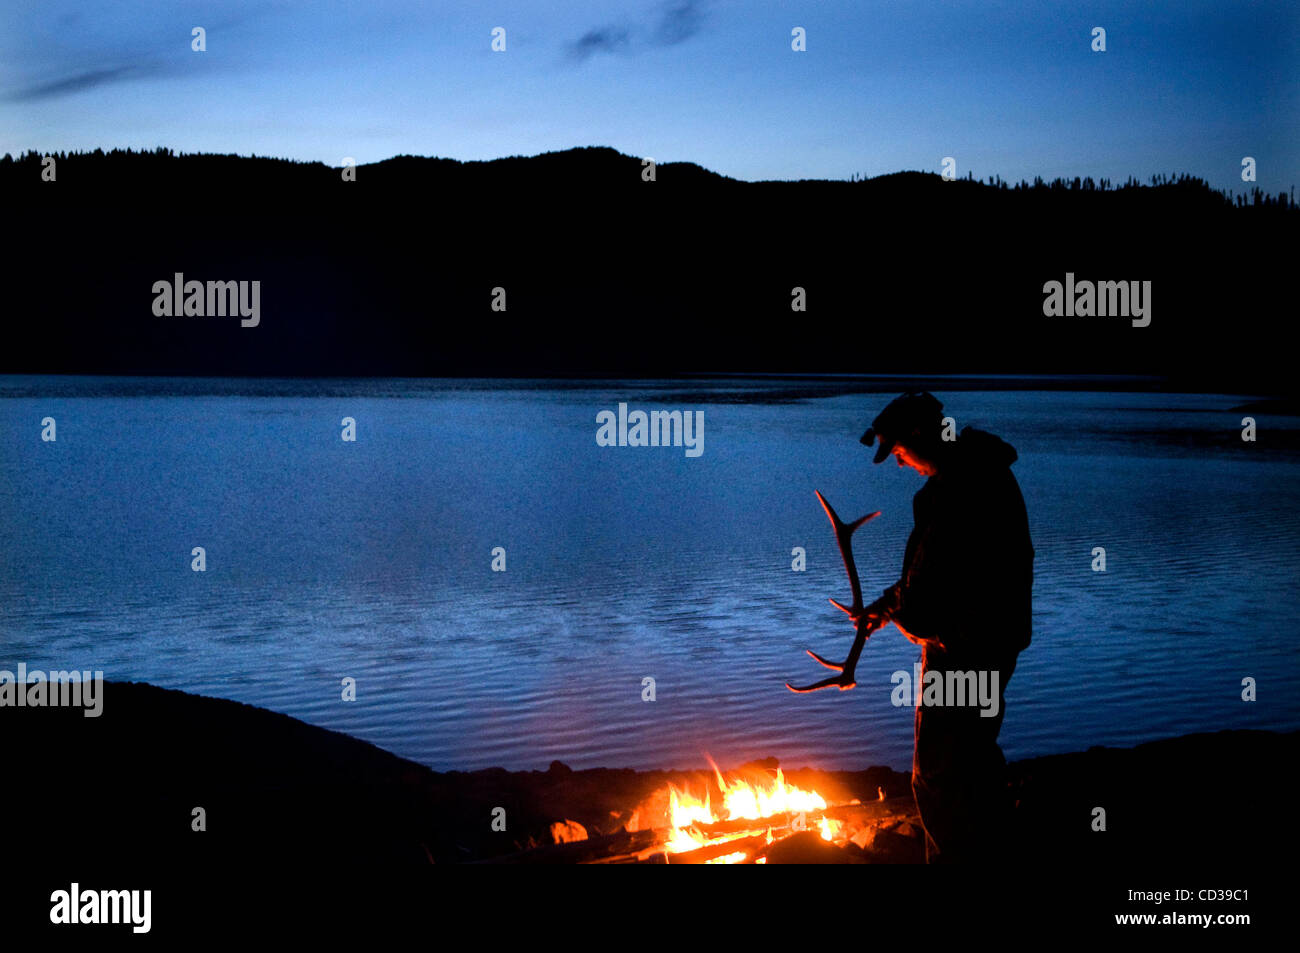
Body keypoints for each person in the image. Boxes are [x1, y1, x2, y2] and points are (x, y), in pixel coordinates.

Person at [854, 392, 1034, 863]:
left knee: (936, 777)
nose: (899, 464)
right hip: (990, 644)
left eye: (899, 452)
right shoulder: (979, 474)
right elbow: (938, 573)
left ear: (918, 435)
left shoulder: (959, 490)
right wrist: (887, 604)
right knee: (973, 762)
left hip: (962, 651)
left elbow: (928, 606)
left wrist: (903, 615)